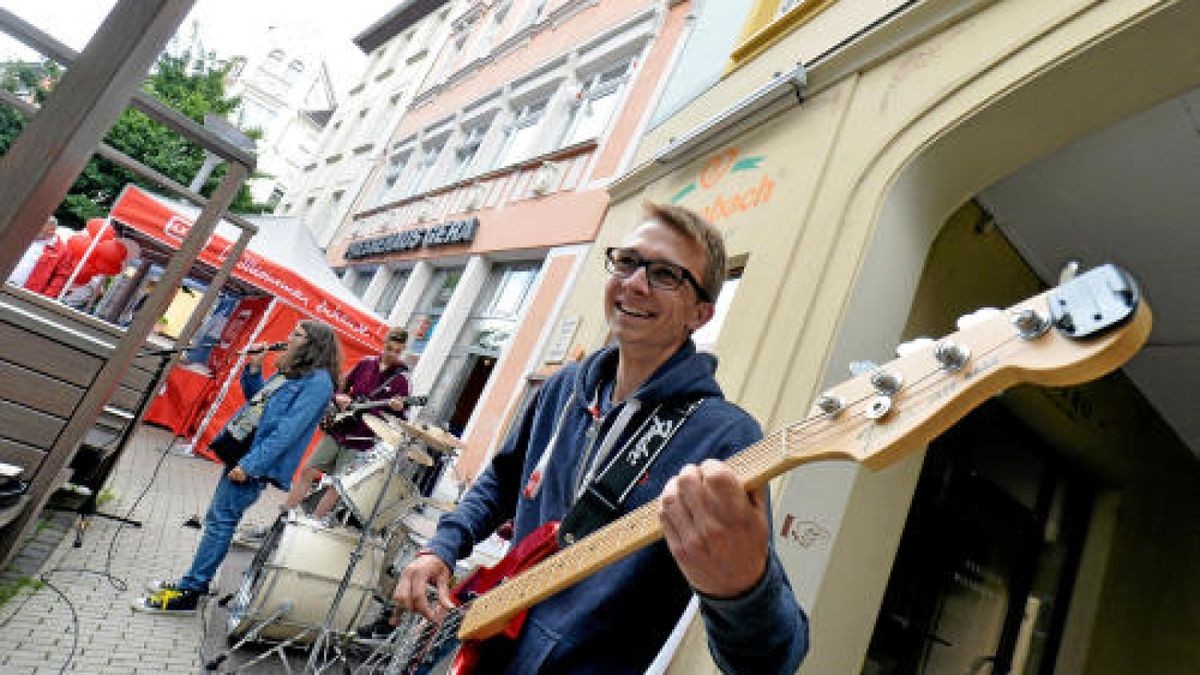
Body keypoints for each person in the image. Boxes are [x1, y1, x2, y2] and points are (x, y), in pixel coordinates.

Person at [392, 204, 809, 673]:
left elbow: (773, 659)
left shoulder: (726, 438)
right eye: (627, 261)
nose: (634, 282)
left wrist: (744, 590)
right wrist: (442, 547)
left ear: (701, 314)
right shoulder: (562, 388)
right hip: (489, 642)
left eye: (666, 274)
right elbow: (501, 482)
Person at [133, 320, 340, 614]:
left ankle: (191, 591)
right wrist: (255, 368)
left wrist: (251, 465)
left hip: (257, 459)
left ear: (313, 344)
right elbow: (256, 401)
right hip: (245, 448)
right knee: (219, 518)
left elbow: (288, 431)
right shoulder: (294, 371)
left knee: (221, 520)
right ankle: (194, 582)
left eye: (297, 334)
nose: (289, 337)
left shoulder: (318, 383)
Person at [280, 326, 412, 522]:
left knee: (338, 486)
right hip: (339, 428)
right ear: (384, 345)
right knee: (309, 470)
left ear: (403, 351)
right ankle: (283, 517)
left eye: (397, 351)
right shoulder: (366, 363)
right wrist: (339, 397)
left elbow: (402, 419)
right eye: (390, 348)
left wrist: (397, 408)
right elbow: (340, 387)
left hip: (363, 440)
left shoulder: (402, 380)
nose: (392, 354)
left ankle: (312, 524)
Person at [11, 216, 71, 295]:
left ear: (51, 231)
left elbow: (61, 277)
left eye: (39, 229)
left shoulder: (61, 250)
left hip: (26, 294)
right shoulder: (22, 234)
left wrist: (46, 296)